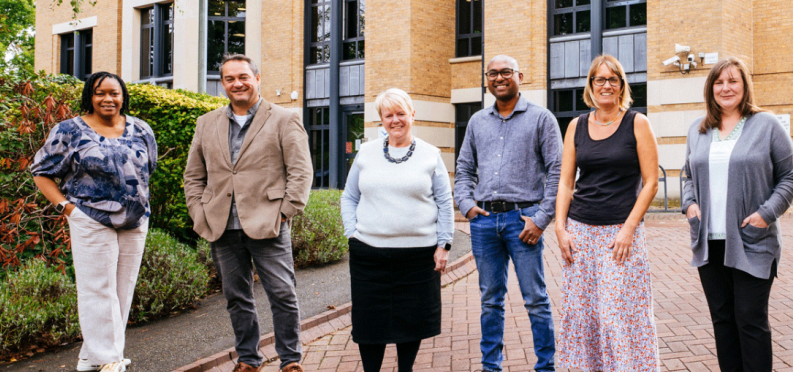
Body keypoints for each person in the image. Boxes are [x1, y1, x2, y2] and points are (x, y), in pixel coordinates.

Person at [184, 54, 313, 372]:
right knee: (236, 296)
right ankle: (249, 359)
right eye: (229, 79)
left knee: (282, 293)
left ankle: (290, 360)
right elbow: (193, 175)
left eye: (243, 76)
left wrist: (286, 212)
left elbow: (300, 171)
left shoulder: (284, 118)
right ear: (223, 84)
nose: (237, 83)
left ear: (257, 78)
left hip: (268, 222)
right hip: (221, 224)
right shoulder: (207, 123)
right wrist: (199, 213)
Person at [680, 57, 793, 372]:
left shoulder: (766, 125)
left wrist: (765, 214)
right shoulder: (698, 129)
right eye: (719, 82)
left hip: (752, 240)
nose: (726, 88)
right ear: (711, 89)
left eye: (733, 81)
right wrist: (690, 205)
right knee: (722, 320)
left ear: (745, 85)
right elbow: (687, 175)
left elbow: (790, 177)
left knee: (750, 319)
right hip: (709, 241)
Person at [30, 72, 155, 372]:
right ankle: (110, 360)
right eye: (100, 93)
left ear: (123, 96)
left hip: (135, 219)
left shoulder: (141, 128)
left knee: (123, 289)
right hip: (90, 216)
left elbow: (148, 167)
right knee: (97, 289)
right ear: (90, 96)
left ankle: (91, 357)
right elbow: (41, 171)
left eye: (114, 93)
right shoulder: (69, 130)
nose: (108, 99)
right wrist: (67, 208)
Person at [454, 55, 562, 372]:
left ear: (520, 76)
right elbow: (463, 170)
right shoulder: (476, 122)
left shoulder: (541, 119)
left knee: (535, 299)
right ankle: (491, 366)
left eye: (506, 72)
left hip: (523, 220)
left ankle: (546, 367)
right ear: (487, 79)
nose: (499, 78)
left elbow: (557, 172)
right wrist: (466, 205)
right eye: (493, 73)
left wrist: (541, 220)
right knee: (490, 300)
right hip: (484, 222)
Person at [554, 54, 661, 371]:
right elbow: (565, 182)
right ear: (590, 85)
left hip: (620, 234)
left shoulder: (637, 123)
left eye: (612, 79)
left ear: (621, 85)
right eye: (599, 79)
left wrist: (629, 229)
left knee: (617, 311)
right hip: (581, 232)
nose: (606, 85)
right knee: (583, 312)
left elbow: (651, 182)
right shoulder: (576, 126)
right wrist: (560, 228)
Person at [340, 88, 452, 372]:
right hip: (369, 255)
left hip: (418, 256)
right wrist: (351, 232)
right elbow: (349, 196)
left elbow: (444, 202)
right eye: (388, 115)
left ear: (412, 114)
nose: (395, 120)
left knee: (410, 322)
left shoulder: (430, 155)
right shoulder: (365, 153)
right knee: (369, 323)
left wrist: (444, 244)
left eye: (401, 113)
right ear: (381, 119)